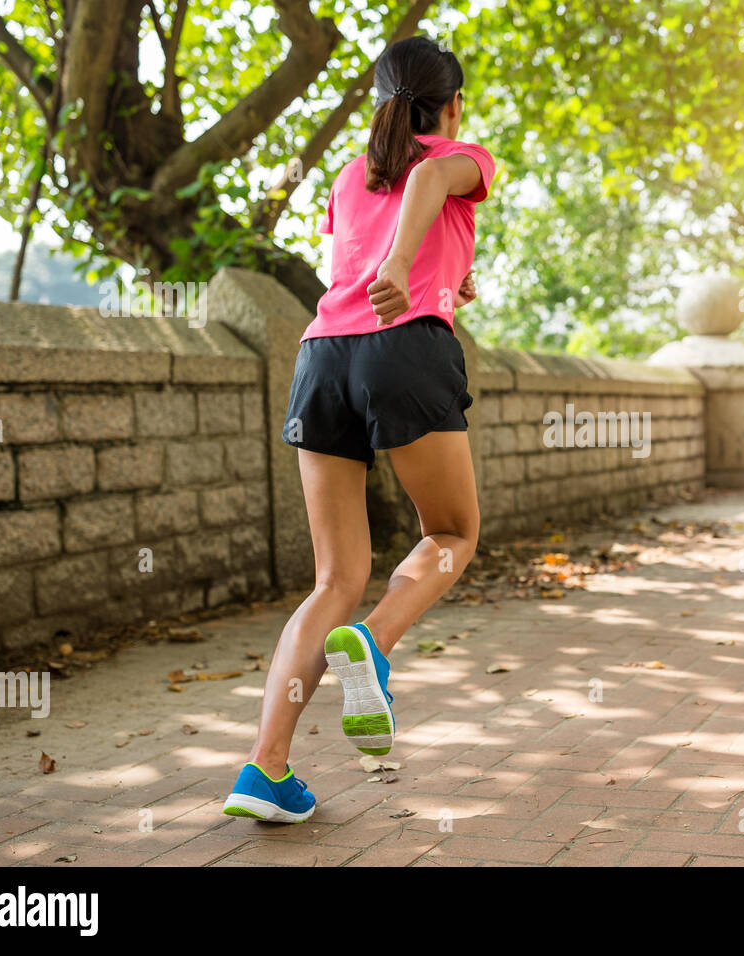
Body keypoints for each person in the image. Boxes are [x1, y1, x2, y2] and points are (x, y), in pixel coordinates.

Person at [222, 35, 494, 822]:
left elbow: (359, 256)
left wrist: (436, 273)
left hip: (322, 359)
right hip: (403, 350)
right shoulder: (458, 152)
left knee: (332, 578)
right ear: (451, 102)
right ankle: (373, 641)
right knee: (453, 532)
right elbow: (433, 180)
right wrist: (405, 268)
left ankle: (264, 769)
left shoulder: (349, 174)